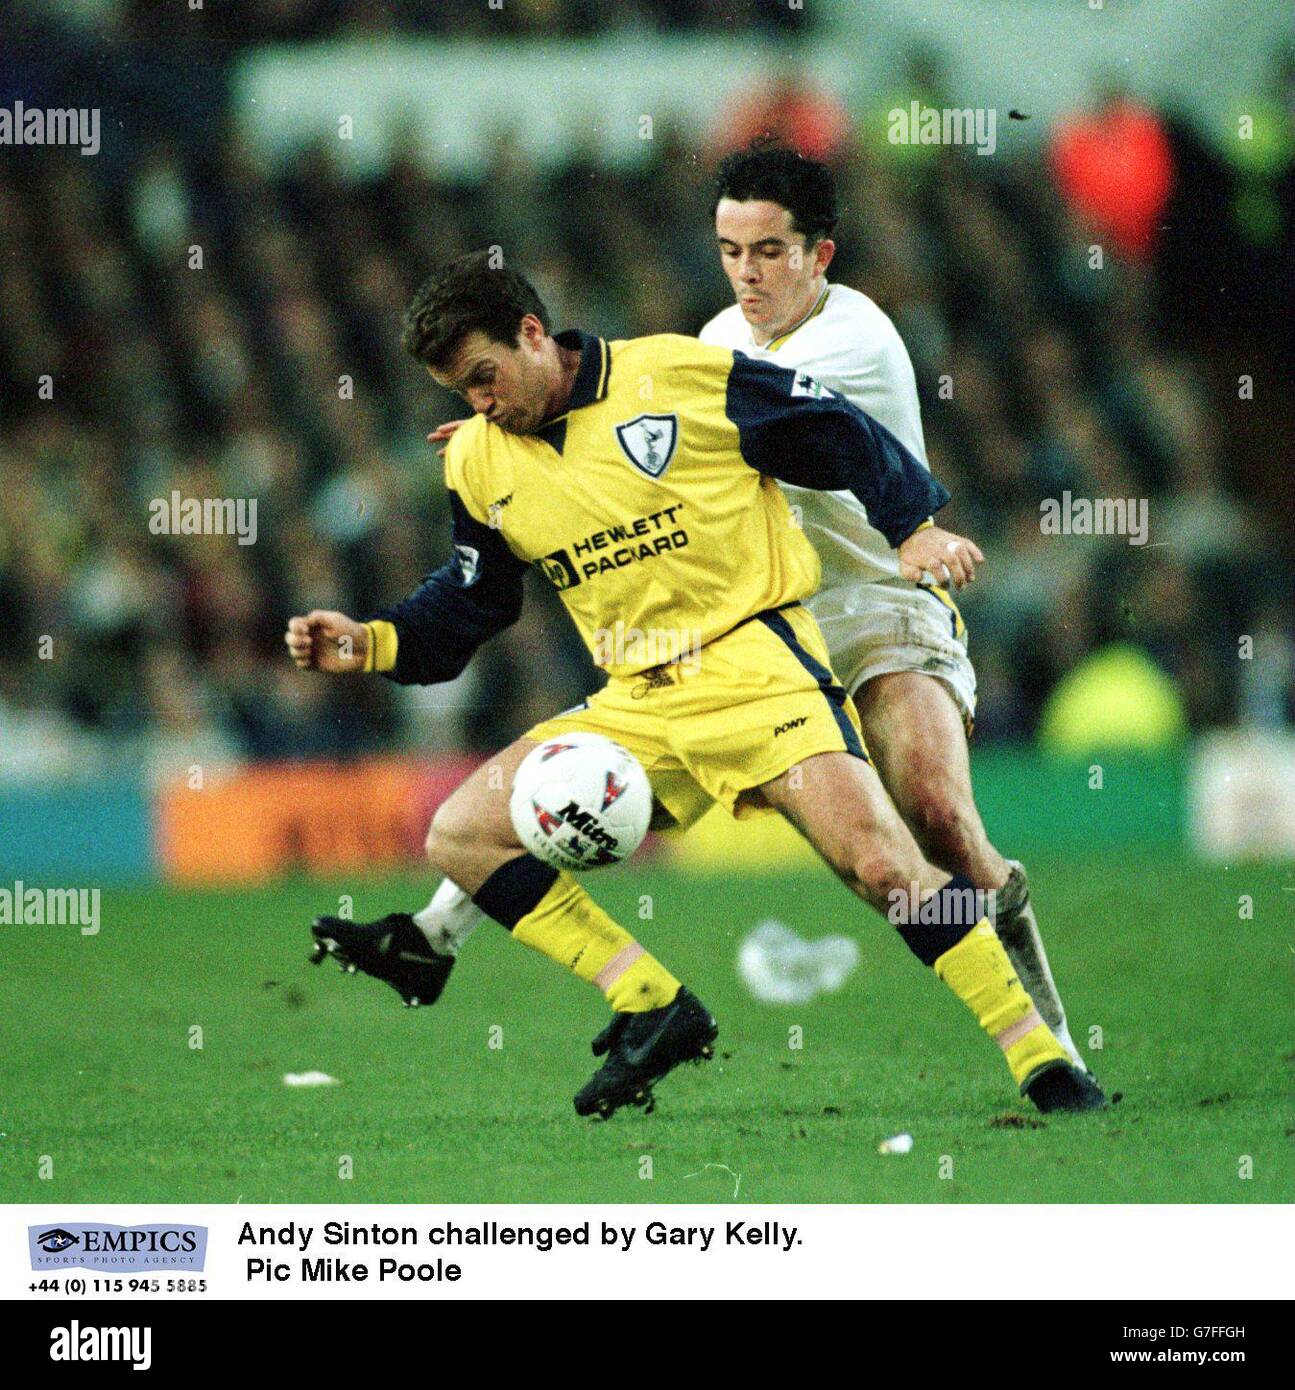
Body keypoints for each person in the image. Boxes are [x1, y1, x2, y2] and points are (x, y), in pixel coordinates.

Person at [286, 250, 1103, 1118]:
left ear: (533, 334)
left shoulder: (675, 375)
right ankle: (651, 1002)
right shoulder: (478, 462)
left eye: (486, 377)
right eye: (462, 392)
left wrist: (910, 527)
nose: (480, 404)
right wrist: (371, 643)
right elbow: (471, 601)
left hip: (756, 667)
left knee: (881, 864)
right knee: (459, 833)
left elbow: (832, 428)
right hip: (637, 699)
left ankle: (1041, 1060)